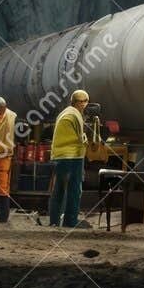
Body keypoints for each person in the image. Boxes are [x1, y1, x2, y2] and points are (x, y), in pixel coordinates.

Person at [47, 89, 91, 229]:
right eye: (82, 102)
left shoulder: (65, 112)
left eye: (85, 102)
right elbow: (81, 138)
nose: (84, 105)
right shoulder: (75, 115)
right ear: (77, 102)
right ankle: (70, 221)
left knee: (58, 189)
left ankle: (54, 220)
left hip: (59, 156)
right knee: (74, 190)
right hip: (72, 157)